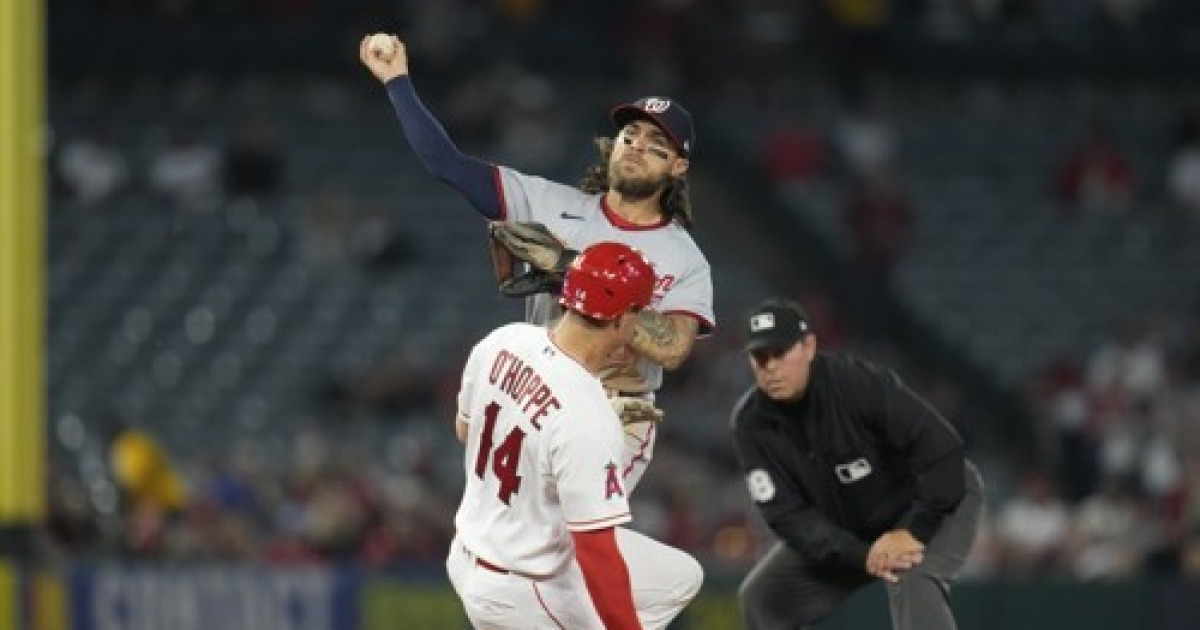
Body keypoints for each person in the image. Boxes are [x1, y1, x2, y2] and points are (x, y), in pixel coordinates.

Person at [360, 33, 707, 623]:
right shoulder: (552, 204)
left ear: (677, 167)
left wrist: (573, 271)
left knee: (560, 542)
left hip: (615, 414)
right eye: (630, 134)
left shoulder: (683, 258)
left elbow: (673, 348)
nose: (636, 146)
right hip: (535, 392)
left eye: (656, 144)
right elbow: (447, 165)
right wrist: (398, 84)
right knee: (546, 551)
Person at [448, 242, 670, 629]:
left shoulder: (501, 340)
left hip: (469, 552)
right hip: (522, 589)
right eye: (639, 311)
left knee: (680, 577)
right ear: (620, 320)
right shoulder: (588, 413)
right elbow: (597, 552)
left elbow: (465, 430)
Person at [731, 298, 984, 630]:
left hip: (934, 499)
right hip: (852, 528)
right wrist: (859, 554)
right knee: (763, 597)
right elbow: (787, 516)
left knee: (910, 573)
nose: (771, 367)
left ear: (809, 346)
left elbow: (942, 451)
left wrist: (914, 530)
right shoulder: (752, 423)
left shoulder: (855, 383)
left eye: (780, 353)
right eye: (760, 357)